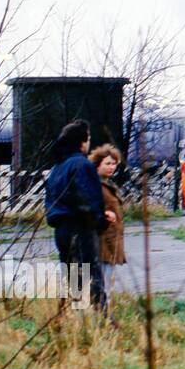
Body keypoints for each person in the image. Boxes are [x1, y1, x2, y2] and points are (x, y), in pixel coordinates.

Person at [44, 120, 110, 312]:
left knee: (73, 276)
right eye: (88, 139)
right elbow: (86, 200)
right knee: (91, 274)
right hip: (80, 229)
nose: (89, 143)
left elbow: (54, 199)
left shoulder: (58, 167)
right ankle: (100, 318)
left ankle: (77, 316)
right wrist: (101, 220)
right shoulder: (82, 165)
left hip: (61, 230)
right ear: (82, 142)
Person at [89, 144, 126, 298]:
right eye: (107, 163)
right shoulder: (95, 185)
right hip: (102, 241)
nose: (112, 167)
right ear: (98, 164)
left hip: (111, 241)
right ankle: (102, 316)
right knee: (103, 284)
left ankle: (102, 315)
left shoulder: (108, 185)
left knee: (107, 282)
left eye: (114, 164)